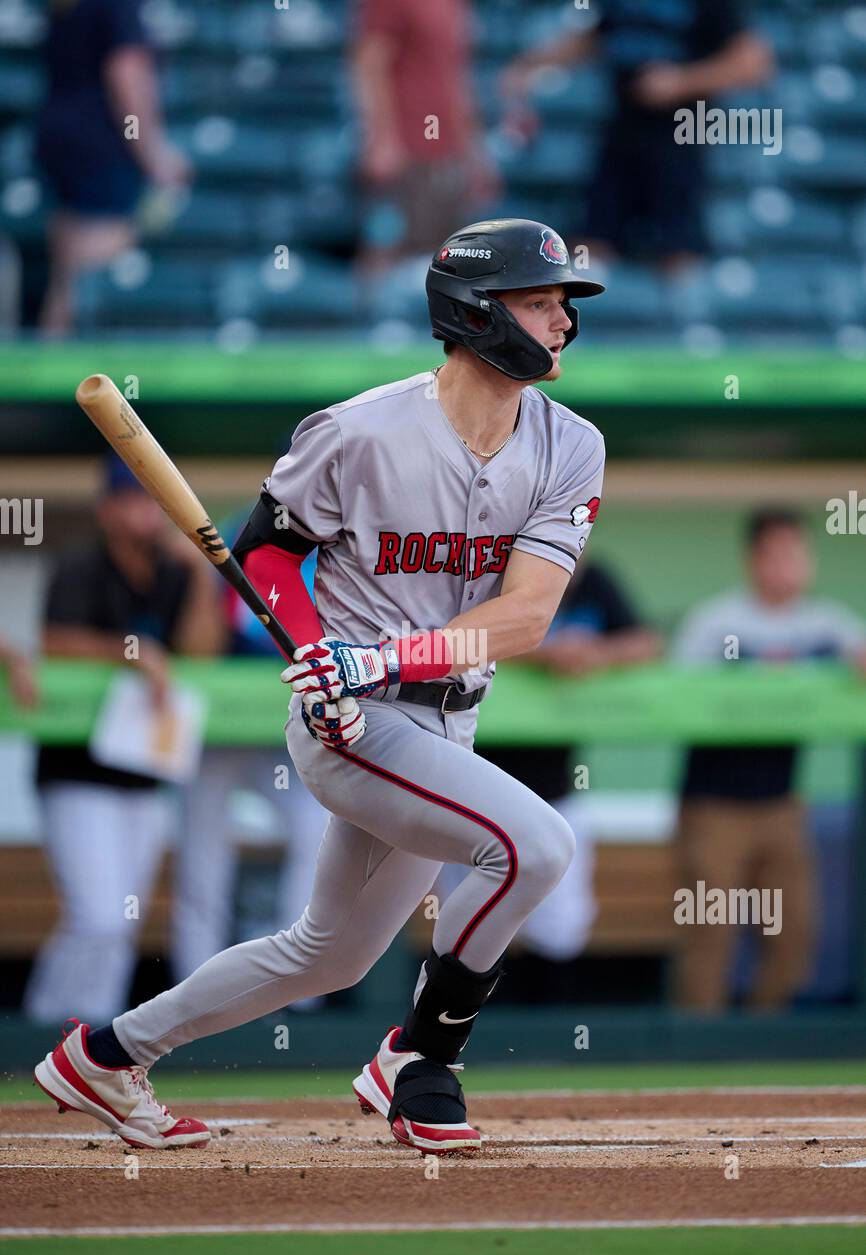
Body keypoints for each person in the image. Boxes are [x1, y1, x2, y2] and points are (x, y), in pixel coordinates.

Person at [35, 217, 606, 1155]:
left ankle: (105, 1054)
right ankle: (420, 1059)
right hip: (352, 726)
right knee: (536, 847)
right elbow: (264, 554)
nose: (560, 323)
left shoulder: (570, 446)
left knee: (327, 952)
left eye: (562, 306)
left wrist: (381, 655)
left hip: (439, 717)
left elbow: (528, 617)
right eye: (538, 302)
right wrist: (312, 645)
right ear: (473, 310)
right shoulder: (356, 430)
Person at [24, 453, 223, 1025]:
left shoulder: (173, 571)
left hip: (144, 771)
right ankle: (48, 1025)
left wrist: (205, 575)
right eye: (132, 500)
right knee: (99, 915)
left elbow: (202, 649)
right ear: (107, 509)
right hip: (77, 771)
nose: (144, 514)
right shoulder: (81, 566)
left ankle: (86, 1040)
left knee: (121, 921)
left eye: (151, 502)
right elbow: (55, 641)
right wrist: (132, 654)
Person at [671, 508, 866, 1012]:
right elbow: (675, 698)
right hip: (714, 805)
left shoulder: (826, 624)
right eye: (776, 554)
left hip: (783, 805)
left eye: (797, 554)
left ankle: (761, 1046)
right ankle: (698, 1056)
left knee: (795, 934)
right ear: (753, 559)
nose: (787, 566)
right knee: (709, 935)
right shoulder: (716, 623)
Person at [479, 561, 661, 987]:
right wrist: (543, 654)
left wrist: (597, 654)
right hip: (480, 788)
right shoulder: (491, 570)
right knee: (474, 925)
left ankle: (545, 1038)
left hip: (557, 786)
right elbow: (455, 641)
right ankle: (469, 1034)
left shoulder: (594, 579)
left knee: (562, 923)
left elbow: (647, 643)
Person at [170, 516, 330, 993]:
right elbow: (200, 648)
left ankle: (289, 986)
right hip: (222, 727)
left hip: (297, 727)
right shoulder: (240, 535)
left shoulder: (351, 542)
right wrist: (202, 575)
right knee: (204, 847)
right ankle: (195, 985)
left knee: (319, 831)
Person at [501, 1, 772, 271]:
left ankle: (683, 313)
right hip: (620, 138)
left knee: (677, 255)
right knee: (589, 247)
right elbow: (596, 36)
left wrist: (682, 82)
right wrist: (531, 66)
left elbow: (753, 63)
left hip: (679, 143)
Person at [36, 0, 189, 335]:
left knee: (67, 280)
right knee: (92, 285)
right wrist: (154, 154)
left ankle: (47, 375)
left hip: (60, 133)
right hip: (99, 143)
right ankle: (79, 381)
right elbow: (126, 70)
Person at [351, 0, 498, 275]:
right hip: (407, 151)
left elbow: (457, 81)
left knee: (441, 260)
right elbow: (369, 62)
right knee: (388, 252)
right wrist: (381, 139)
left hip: (446, 156)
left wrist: (476, 157)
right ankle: (374, 315)